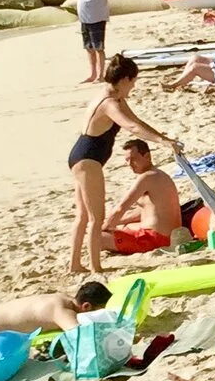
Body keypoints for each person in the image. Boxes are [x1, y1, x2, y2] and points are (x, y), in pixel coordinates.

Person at [70, 58, 180, 275]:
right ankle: (95, 267)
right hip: (88, 159)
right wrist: (161, 142)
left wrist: (164, 138)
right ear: (125, 79)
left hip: (80, 156)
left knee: (82, 215)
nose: (134, 86)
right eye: (133, 81)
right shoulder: (109, 103)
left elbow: (137, 121)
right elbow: (130, 127)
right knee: (95, 217)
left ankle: (75, 265)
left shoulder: (113, 96)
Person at [106, 138, 190, 253]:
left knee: (98, 237)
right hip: (165, 235)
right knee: (124, 226)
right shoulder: (159, 175)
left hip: (153, 239)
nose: (129, 164)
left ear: (147, 156)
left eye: (133, 159)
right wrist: (117, 222)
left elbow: (120, 208)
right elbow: (148, 210)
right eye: (127, 160)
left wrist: (103, 227)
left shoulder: (147, 177)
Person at [74, 0, 111, 83]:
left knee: (98, 47)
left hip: (97, 16)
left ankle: (101, 75)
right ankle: (92, 74)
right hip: (85, 17)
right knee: (89, 48)